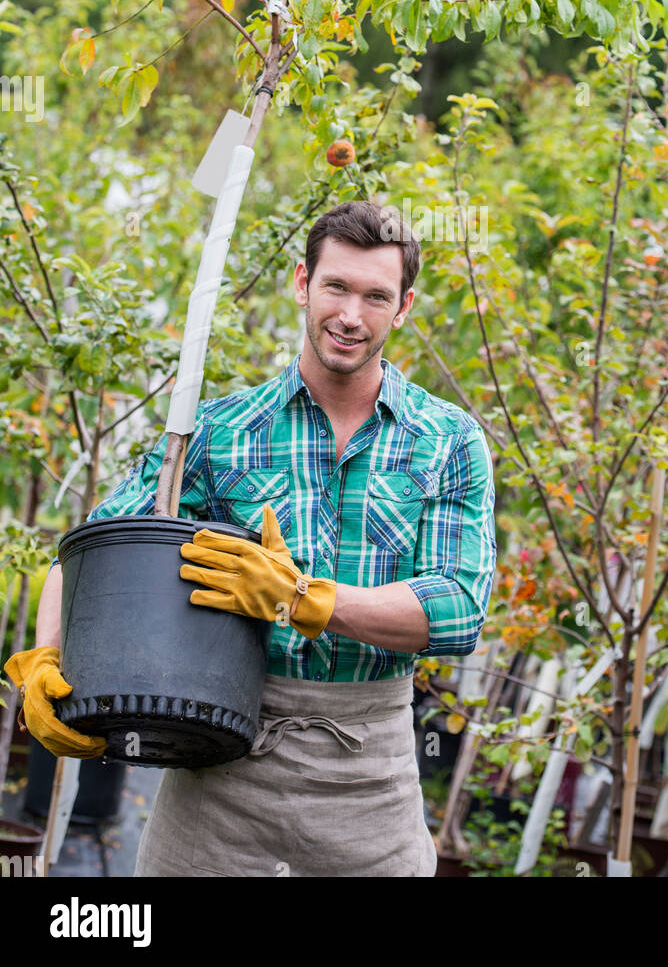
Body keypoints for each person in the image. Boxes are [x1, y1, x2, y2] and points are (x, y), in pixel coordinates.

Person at [5, 200, 497, 877]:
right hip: (220, 773)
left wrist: (304, 597)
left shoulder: (447, 439)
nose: (351, 316)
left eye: (375, 297)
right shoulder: (222, 430)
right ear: (301, 283)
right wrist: (46, 657)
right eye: (336, 288)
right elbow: (94, 549)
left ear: (404, 306)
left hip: (367, 781)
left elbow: (457, 609)